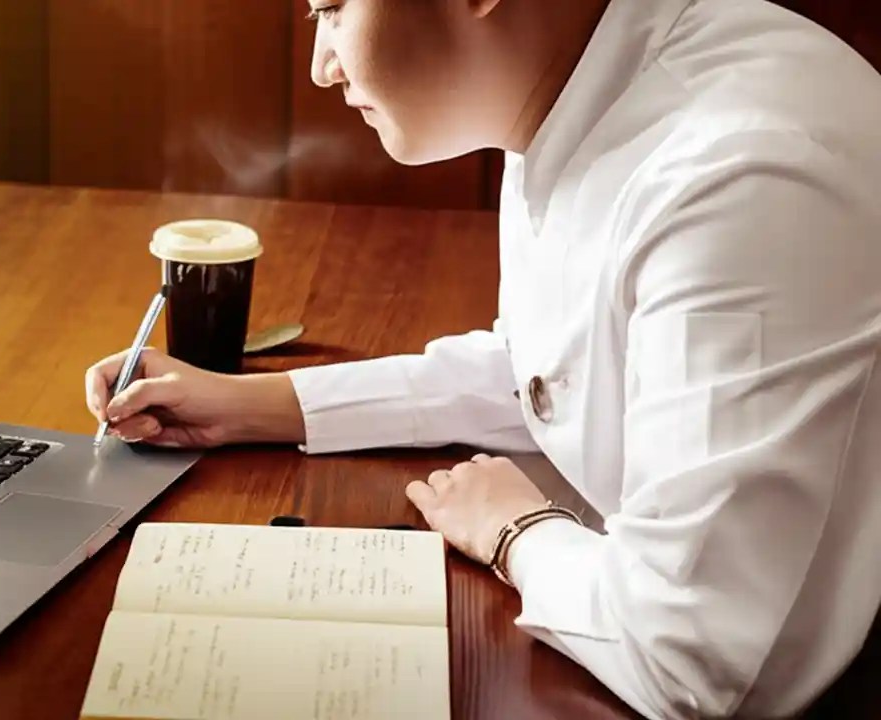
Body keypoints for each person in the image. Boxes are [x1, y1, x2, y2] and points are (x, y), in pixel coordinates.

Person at [84, 0, 881, 717]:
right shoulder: (573, 95)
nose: (321, 66)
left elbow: (692, 653)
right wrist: (247, 403)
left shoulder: (740, 174)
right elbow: (544, 370)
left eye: (330, 9)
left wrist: (518, 529)